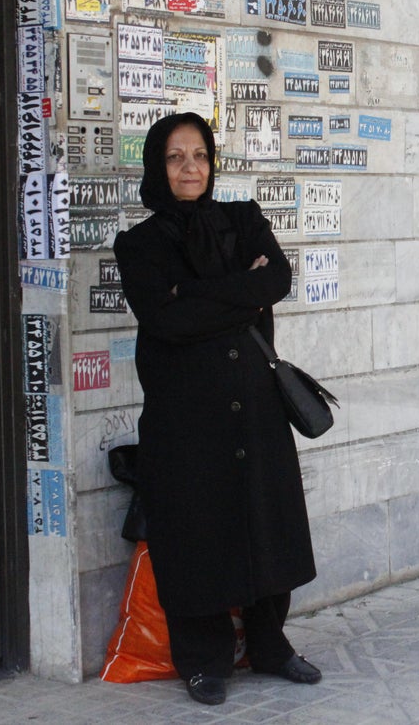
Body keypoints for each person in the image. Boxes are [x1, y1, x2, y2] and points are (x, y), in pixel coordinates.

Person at [113, 112, 322, 705]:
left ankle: (270, 646)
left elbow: (275, 280)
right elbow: (166, 320)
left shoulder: (243, 218)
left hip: (254, 404)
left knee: (265, 523)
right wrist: (241, 291)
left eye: (200, 155)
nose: (190, 167)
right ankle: (204, 661)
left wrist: (198, 295)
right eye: (176, 157)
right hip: (186, 416)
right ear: (158, 165)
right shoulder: (140, 244)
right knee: (195, 535)